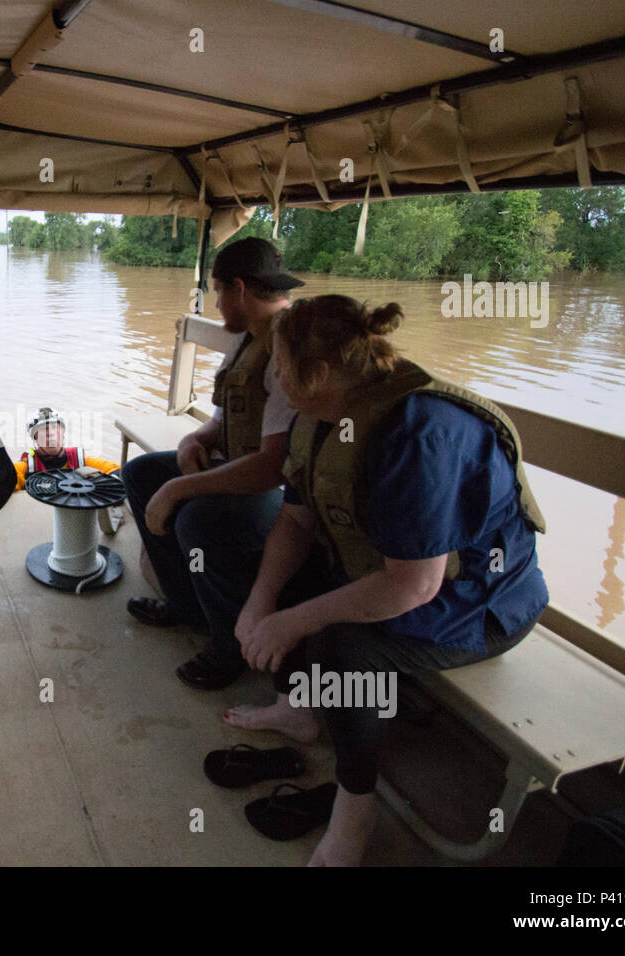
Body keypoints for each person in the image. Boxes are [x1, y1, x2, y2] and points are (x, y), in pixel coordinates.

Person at [229, 294, 549, 866]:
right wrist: (261, 604)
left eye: (281, 365)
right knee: (285, 577)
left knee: (345, 644)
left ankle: (354, 813)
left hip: (478, 602)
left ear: (319, 373)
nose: (274, 376)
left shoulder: (419, 435)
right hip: (401, 574)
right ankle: (300, 710)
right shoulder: (326, 414)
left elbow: (412, 588)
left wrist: (293, 622)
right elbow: (297, 520)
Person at [121, 238, 302, 690]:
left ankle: (228, 646)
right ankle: (185, 605)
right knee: (141, 474)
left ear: (239, 288)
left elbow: (274, 468)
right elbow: (221, 419)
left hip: (280, 495)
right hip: (235, 466)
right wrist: (191, 439)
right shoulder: (245, 337)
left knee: (198, 522)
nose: (216, 303)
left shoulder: (288, 348)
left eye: (218, 291)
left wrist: (180, 489)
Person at [14, 406, 118, 491]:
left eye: (54, 427)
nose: (50, 433)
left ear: (63, 433)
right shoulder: (26, 467)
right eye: (43, 429)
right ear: (35, 438)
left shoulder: (80, 461)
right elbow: (4, 480)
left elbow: (115, 471)